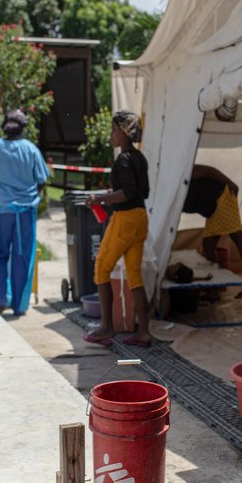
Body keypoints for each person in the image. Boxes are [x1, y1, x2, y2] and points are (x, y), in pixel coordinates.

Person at [83, 110, 152, 347]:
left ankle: (106, 328)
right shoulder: (139, 158)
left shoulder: (123, 160)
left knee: (101, 268)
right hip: (141, 217)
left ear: (124, 133)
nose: (111, 135)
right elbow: (143, 193)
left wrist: (99, 199)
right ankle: (143, 332)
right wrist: (108, 196)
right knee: (134, 275)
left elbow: (128, 193)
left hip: (126, 219)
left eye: (114, 130)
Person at [0, 109, 50, 316]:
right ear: (23, 127)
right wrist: (29, 196)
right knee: (22, 257)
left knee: (0, 255)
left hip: (3, 211)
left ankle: (0, 300)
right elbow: (42, 180)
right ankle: (19, 305)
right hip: (26, 212)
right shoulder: (31, 150)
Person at [182, 164, 242, 296]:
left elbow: (209, 171)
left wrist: (231, 184)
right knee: (208, 246)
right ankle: (216, 285)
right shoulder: (168, 190)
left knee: (237, 237)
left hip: (222, 197)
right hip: (212, 208)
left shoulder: (183, 170)